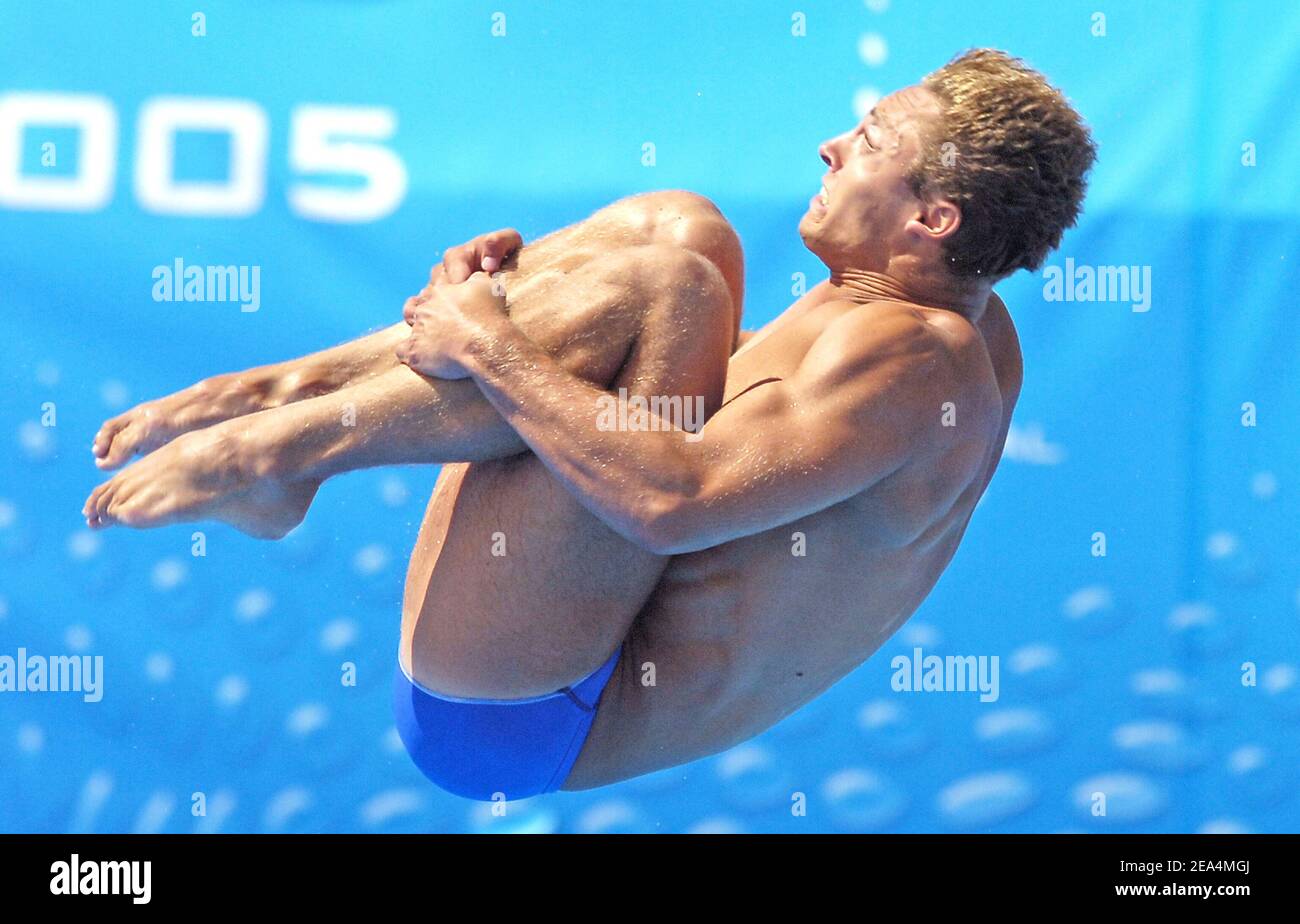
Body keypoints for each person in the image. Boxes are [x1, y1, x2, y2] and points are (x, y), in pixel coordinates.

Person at [83, 49, 1096, 800]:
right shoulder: (900, 313)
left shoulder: (922, 361)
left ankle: (279, 447)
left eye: (871, 140)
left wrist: (493, 345)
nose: (833, 144)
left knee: (667, 289)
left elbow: (671, 499)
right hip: (553, 632)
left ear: (934, 220)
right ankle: (272, 407)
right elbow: (701, 404)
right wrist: (522, 314)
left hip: (532, 712)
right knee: (676, 231)